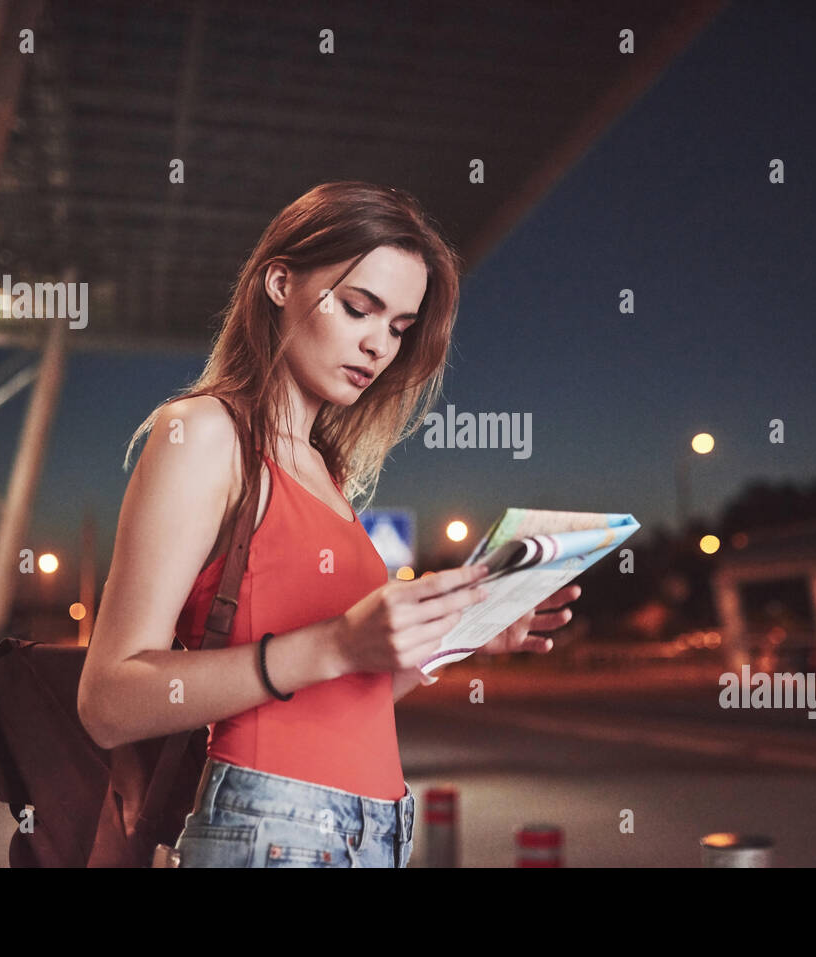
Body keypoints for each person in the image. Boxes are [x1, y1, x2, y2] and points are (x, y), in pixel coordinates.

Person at [77, 181, 581, 867]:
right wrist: (337, 643)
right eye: (357, 308)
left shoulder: (327, 473)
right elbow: (108, 700)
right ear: (279, 283)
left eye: (400, 327)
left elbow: (346, 688)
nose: (379, 346)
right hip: (271, 828)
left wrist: (461, 636)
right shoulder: (202, 433)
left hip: (378, 830)